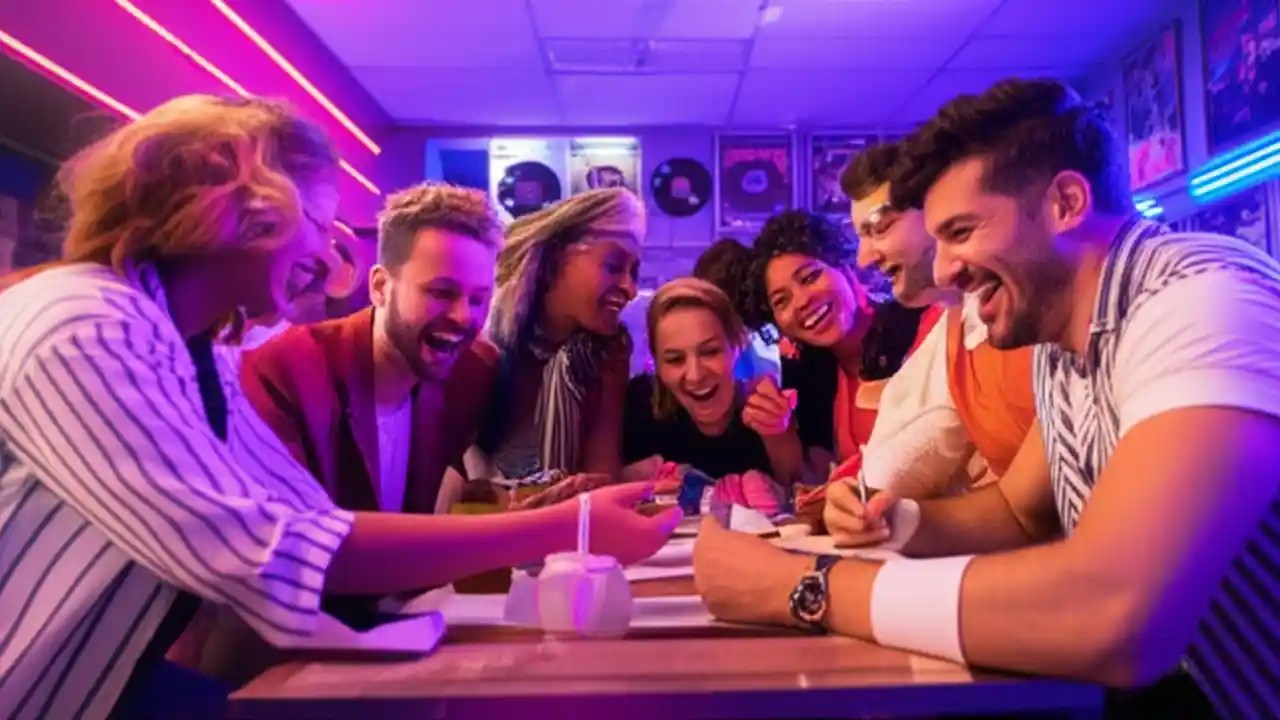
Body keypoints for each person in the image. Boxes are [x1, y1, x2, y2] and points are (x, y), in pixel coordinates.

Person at [0, 95, 679, 720]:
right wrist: (562, 527)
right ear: (244, 207)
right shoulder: (84, 322)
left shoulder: (189, 350)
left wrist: (543, 522)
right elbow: (267, 550)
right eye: (319, 224)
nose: (325, 258)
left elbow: (312, 519)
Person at [694, 78, 1280, 718]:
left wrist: (803, 587)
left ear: (1065, 202)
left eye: (962, 230)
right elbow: (1020, 512)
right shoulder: (1064, 336)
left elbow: (1117, 611)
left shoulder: (1202, 300)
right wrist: (894, 520)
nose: (943, 269)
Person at [241, 182, 500, 516]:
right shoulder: (284, 369)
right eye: (442, 293)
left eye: (478, 299)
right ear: (380, 287)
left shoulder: (474, 372)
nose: (465, 316)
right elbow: (290, 534)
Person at [839, 140, 1036, 498]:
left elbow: (1027, 508)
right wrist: (849, 501)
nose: (864, 258)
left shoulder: (1040, 310)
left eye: (879, 228)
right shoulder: (952, 327)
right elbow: (890, 470)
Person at [748, 210, 934, 483]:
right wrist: (778, 432)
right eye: (781, 301)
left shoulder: (921, 327)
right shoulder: (813, 376)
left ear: (847, 269)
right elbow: (813, 483)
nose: (800, 302)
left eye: (810, 277)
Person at [475, 188, 644, 483]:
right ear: (555, 258)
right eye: (614, 266)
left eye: (634, 271)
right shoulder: (483, 350)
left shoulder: (605, 353)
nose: (630, 288)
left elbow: (600, 479)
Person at [623, 278, 804, 485]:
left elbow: (798, 495)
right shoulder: (638, 405)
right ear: (656, 362)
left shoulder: (764, 406)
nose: (695, 375)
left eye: (710, 352)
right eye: (675, 359)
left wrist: (779, 436)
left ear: (737, 344)